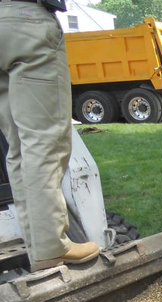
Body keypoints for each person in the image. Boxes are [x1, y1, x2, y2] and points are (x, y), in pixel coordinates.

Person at [0, 0, 99, 273]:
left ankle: (38, 248)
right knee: (44, 142)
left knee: (17, 145)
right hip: (25, 19)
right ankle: (50, 247)